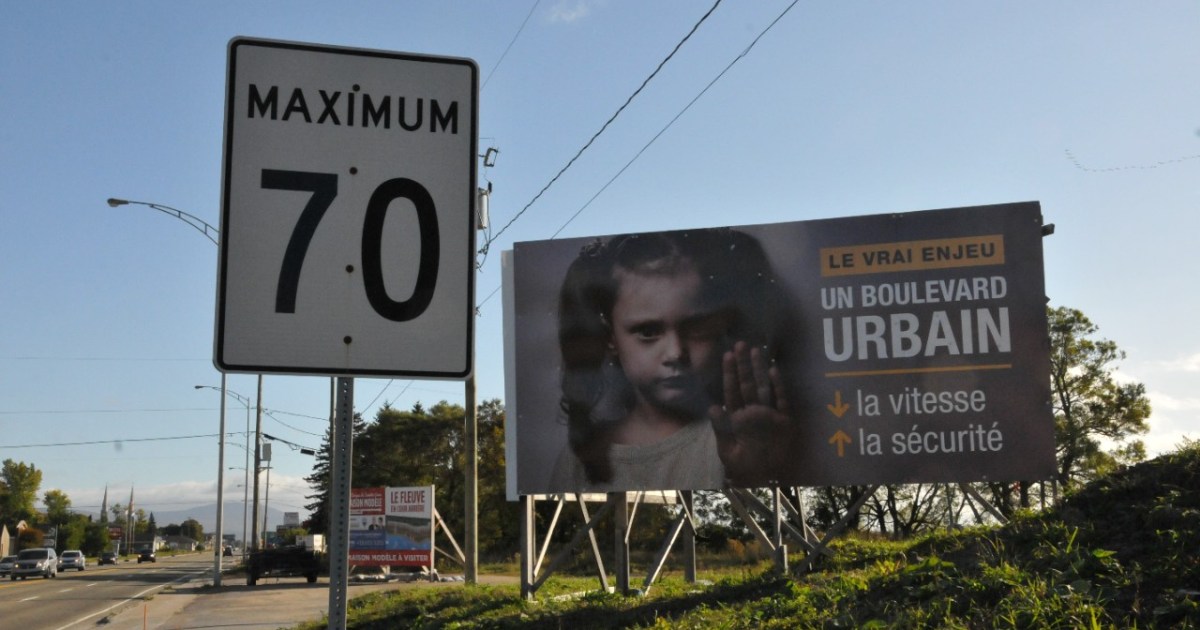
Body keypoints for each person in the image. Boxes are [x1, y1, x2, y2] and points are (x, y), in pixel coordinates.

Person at [549, 228, 801, 491]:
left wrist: (752, 475)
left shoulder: (737, 441)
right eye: (648, 332)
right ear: (611, 337)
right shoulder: (579, 457)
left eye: (696, 328)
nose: (676, 353)